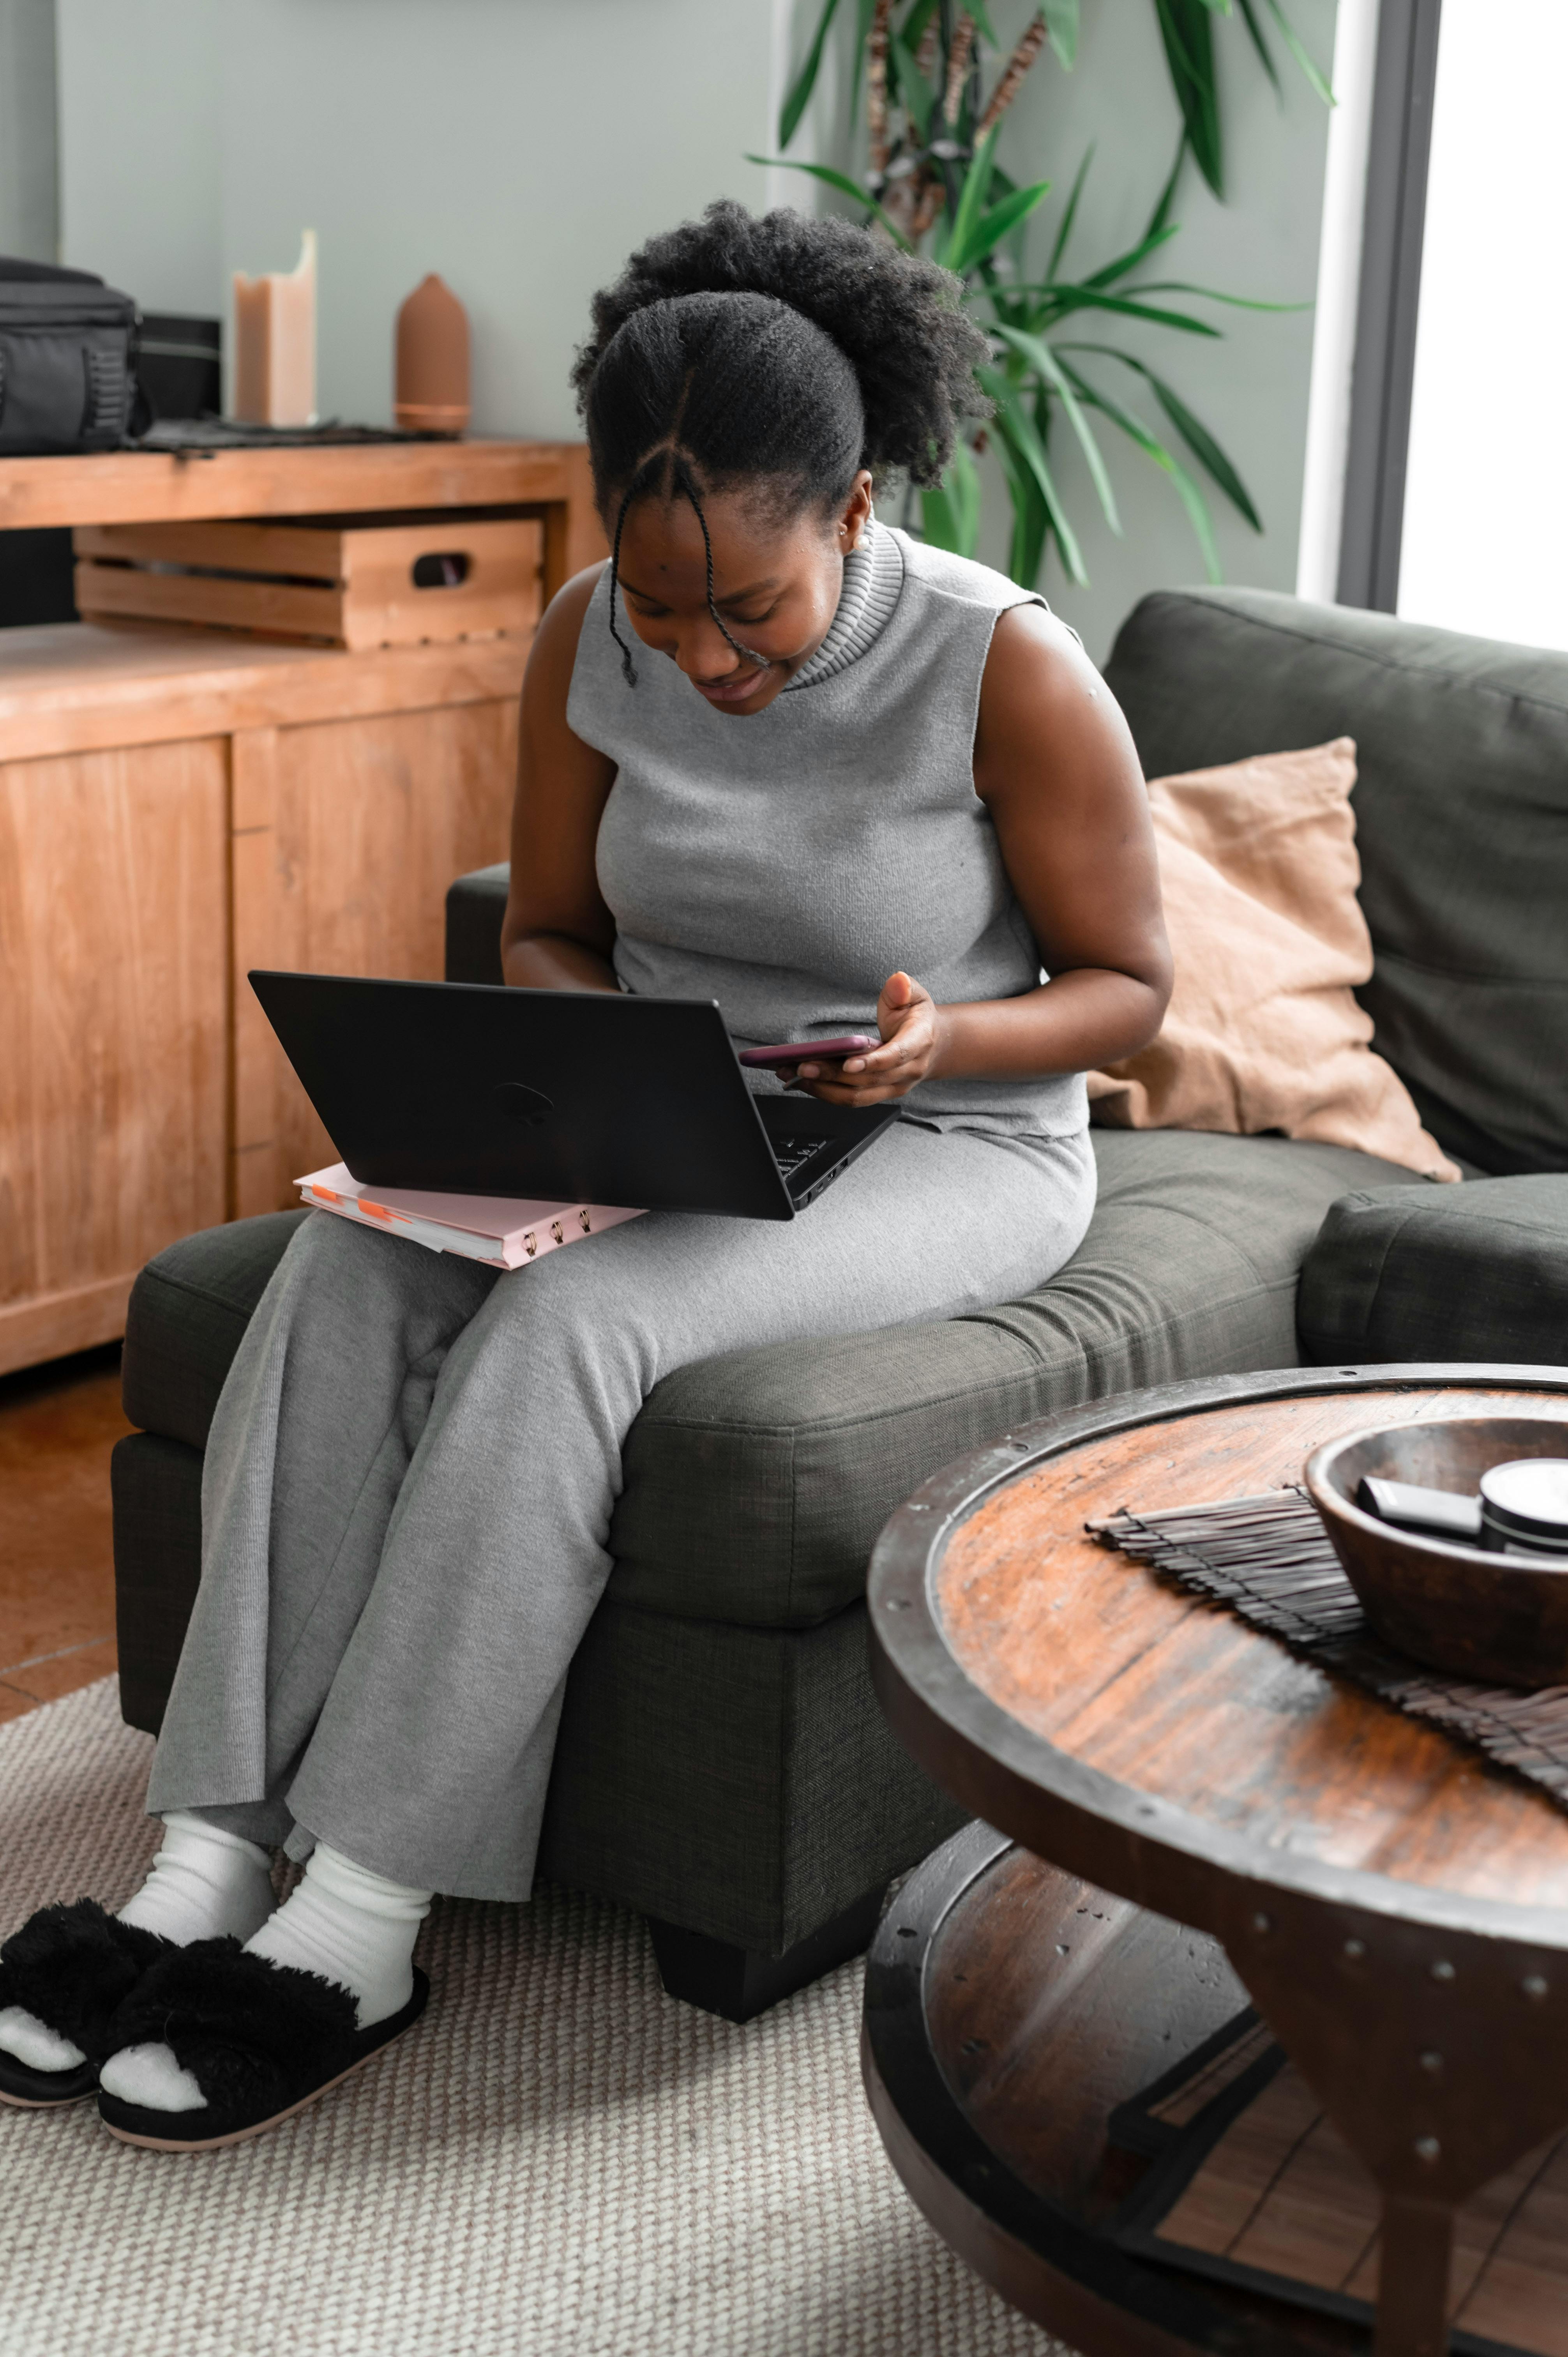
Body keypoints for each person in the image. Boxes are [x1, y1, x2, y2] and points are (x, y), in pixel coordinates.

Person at [0, 201, 1170, 2149]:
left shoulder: (1002, 666)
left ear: (856, 510)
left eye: (756, 612)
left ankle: (360, 1916)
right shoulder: (584, 636)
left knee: (572, 1324)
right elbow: (545, 928)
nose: (704, 656)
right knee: (343, 1262)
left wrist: (937, 1038)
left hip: (946, 1131)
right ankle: (201, 1867)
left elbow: (1129, 991)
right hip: (661, 1111)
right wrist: (583, 1077)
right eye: (662, 609)